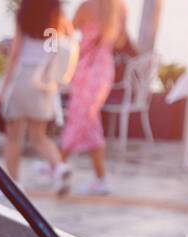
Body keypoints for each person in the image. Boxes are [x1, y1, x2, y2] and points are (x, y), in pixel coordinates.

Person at [0, 0, 73, 190]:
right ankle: (59, 166)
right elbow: (70, 41)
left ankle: (13, 184)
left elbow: (15, 54)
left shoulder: (24, 14)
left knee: (14, 136)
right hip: (46, 81)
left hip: (24, 78)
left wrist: (2, 88)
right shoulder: (58, 15)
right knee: (38, 136)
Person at [60, 0, 129, 195]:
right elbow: (121, 41)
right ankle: (100, 178)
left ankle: (57, 164)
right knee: (89, 121)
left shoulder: (87, 6)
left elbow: (69, 32)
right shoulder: (121, 8)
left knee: (81, 117)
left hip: (85, 66)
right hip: (104, 68)